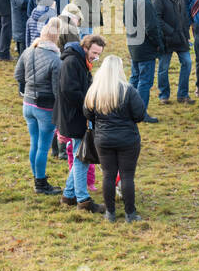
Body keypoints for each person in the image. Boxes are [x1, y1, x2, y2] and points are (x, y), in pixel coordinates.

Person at [81, 55, 145, 223]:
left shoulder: (95, 91)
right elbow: (140, 115)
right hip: (128, 139)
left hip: (103, 139)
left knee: (108, 175)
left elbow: (87, 114)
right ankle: (130, 213)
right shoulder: (128, 90)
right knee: (127, 176)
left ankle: (110, 213)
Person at [54, 33, 106, 215]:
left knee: (79, 155)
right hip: (74, 117)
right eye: (94, 53)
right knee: (81, 158)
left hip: (76, 116)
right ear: (85, 47)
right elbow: (70, 91)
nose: (96, 57)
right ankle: (83, 200)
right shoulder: (72, 62)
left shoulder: (80, 61)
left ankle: (68, 195)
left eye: (98, 54)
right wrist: (89, 103)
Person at [14, 20, 63, 196]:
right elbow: (58, 91)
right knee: (43, 146)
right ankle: (40, 183)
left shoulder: (28, 51)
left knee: (34, 143)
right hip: (45, 108)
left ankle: (37, 178)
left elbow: (18, 74)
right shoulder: (56, 60)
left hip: (27, 104)